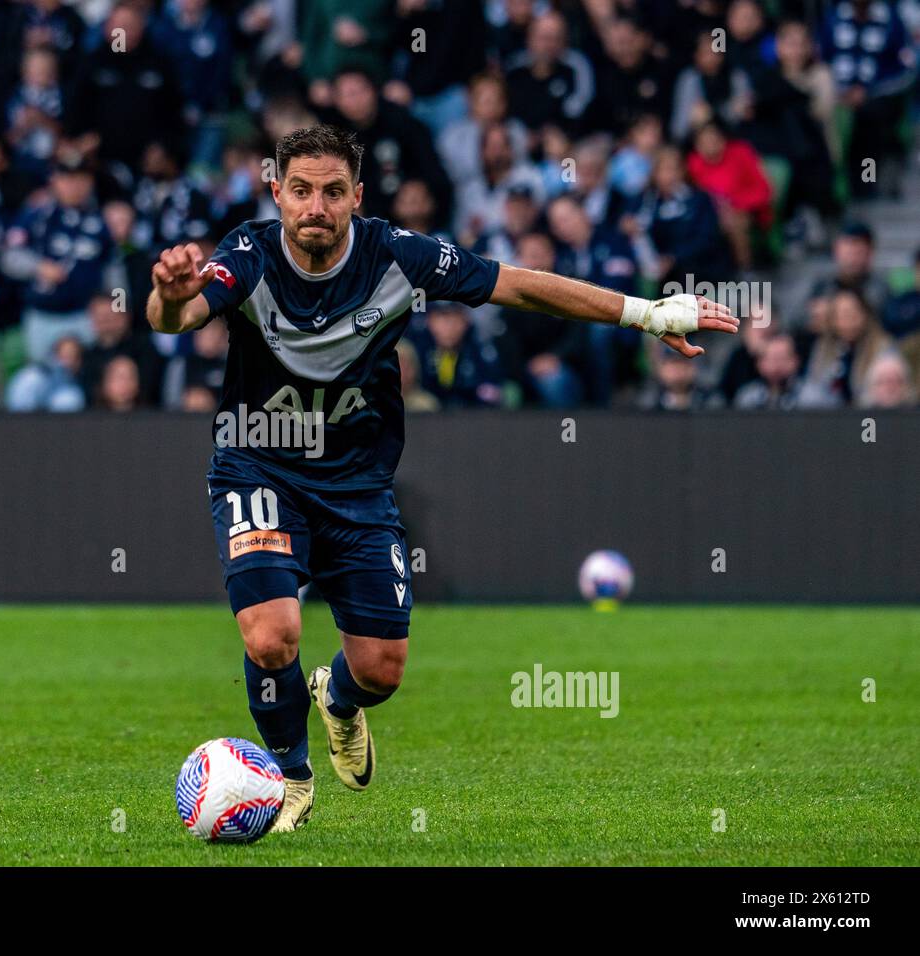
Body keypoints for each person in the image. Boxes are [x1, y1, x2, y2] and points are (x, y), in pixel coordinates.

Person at [144, 125, 737, 832]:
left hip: (357, 483)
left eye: (334, 192)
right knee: (272, 635)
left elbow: (517, 286)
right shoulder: (248, 253)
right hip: (257, 465)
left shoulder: (398, 255)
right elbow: (178, 316)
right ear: (277, 192)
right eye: (299, 190)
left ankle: (337, 700)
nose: (315, 206)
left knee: (382, 671)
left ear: (356, 197)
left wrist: (645, 313)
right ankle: (290, 778)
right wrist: (170, 296)